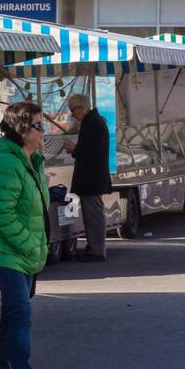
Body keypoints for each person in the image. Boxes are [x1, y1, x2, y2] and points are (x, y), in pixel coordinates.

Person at [0, 101, 57, 369]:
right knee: (20, 316)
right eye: (39, 126)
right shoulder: (8, 163)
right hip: (7, 254)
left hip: (22, 254)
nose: (43, 132)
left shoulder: (32, 160)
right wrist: (31, 245)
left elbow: (28, 204)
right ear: (22, 130)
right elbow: (2, 214)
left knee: (10, 317)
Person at [62, 93, 111, 262]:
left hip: (92, 178)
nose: (72, 114)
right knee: (91, 215)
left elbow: (91, 152)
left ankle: (97, 250)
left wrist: (73, 149)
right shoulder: (92, 122)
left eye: (72, 110)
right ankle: (93, 247)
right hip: (92, 177)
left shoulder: (94, 123)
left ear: (82, 108)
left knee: (94, 215)